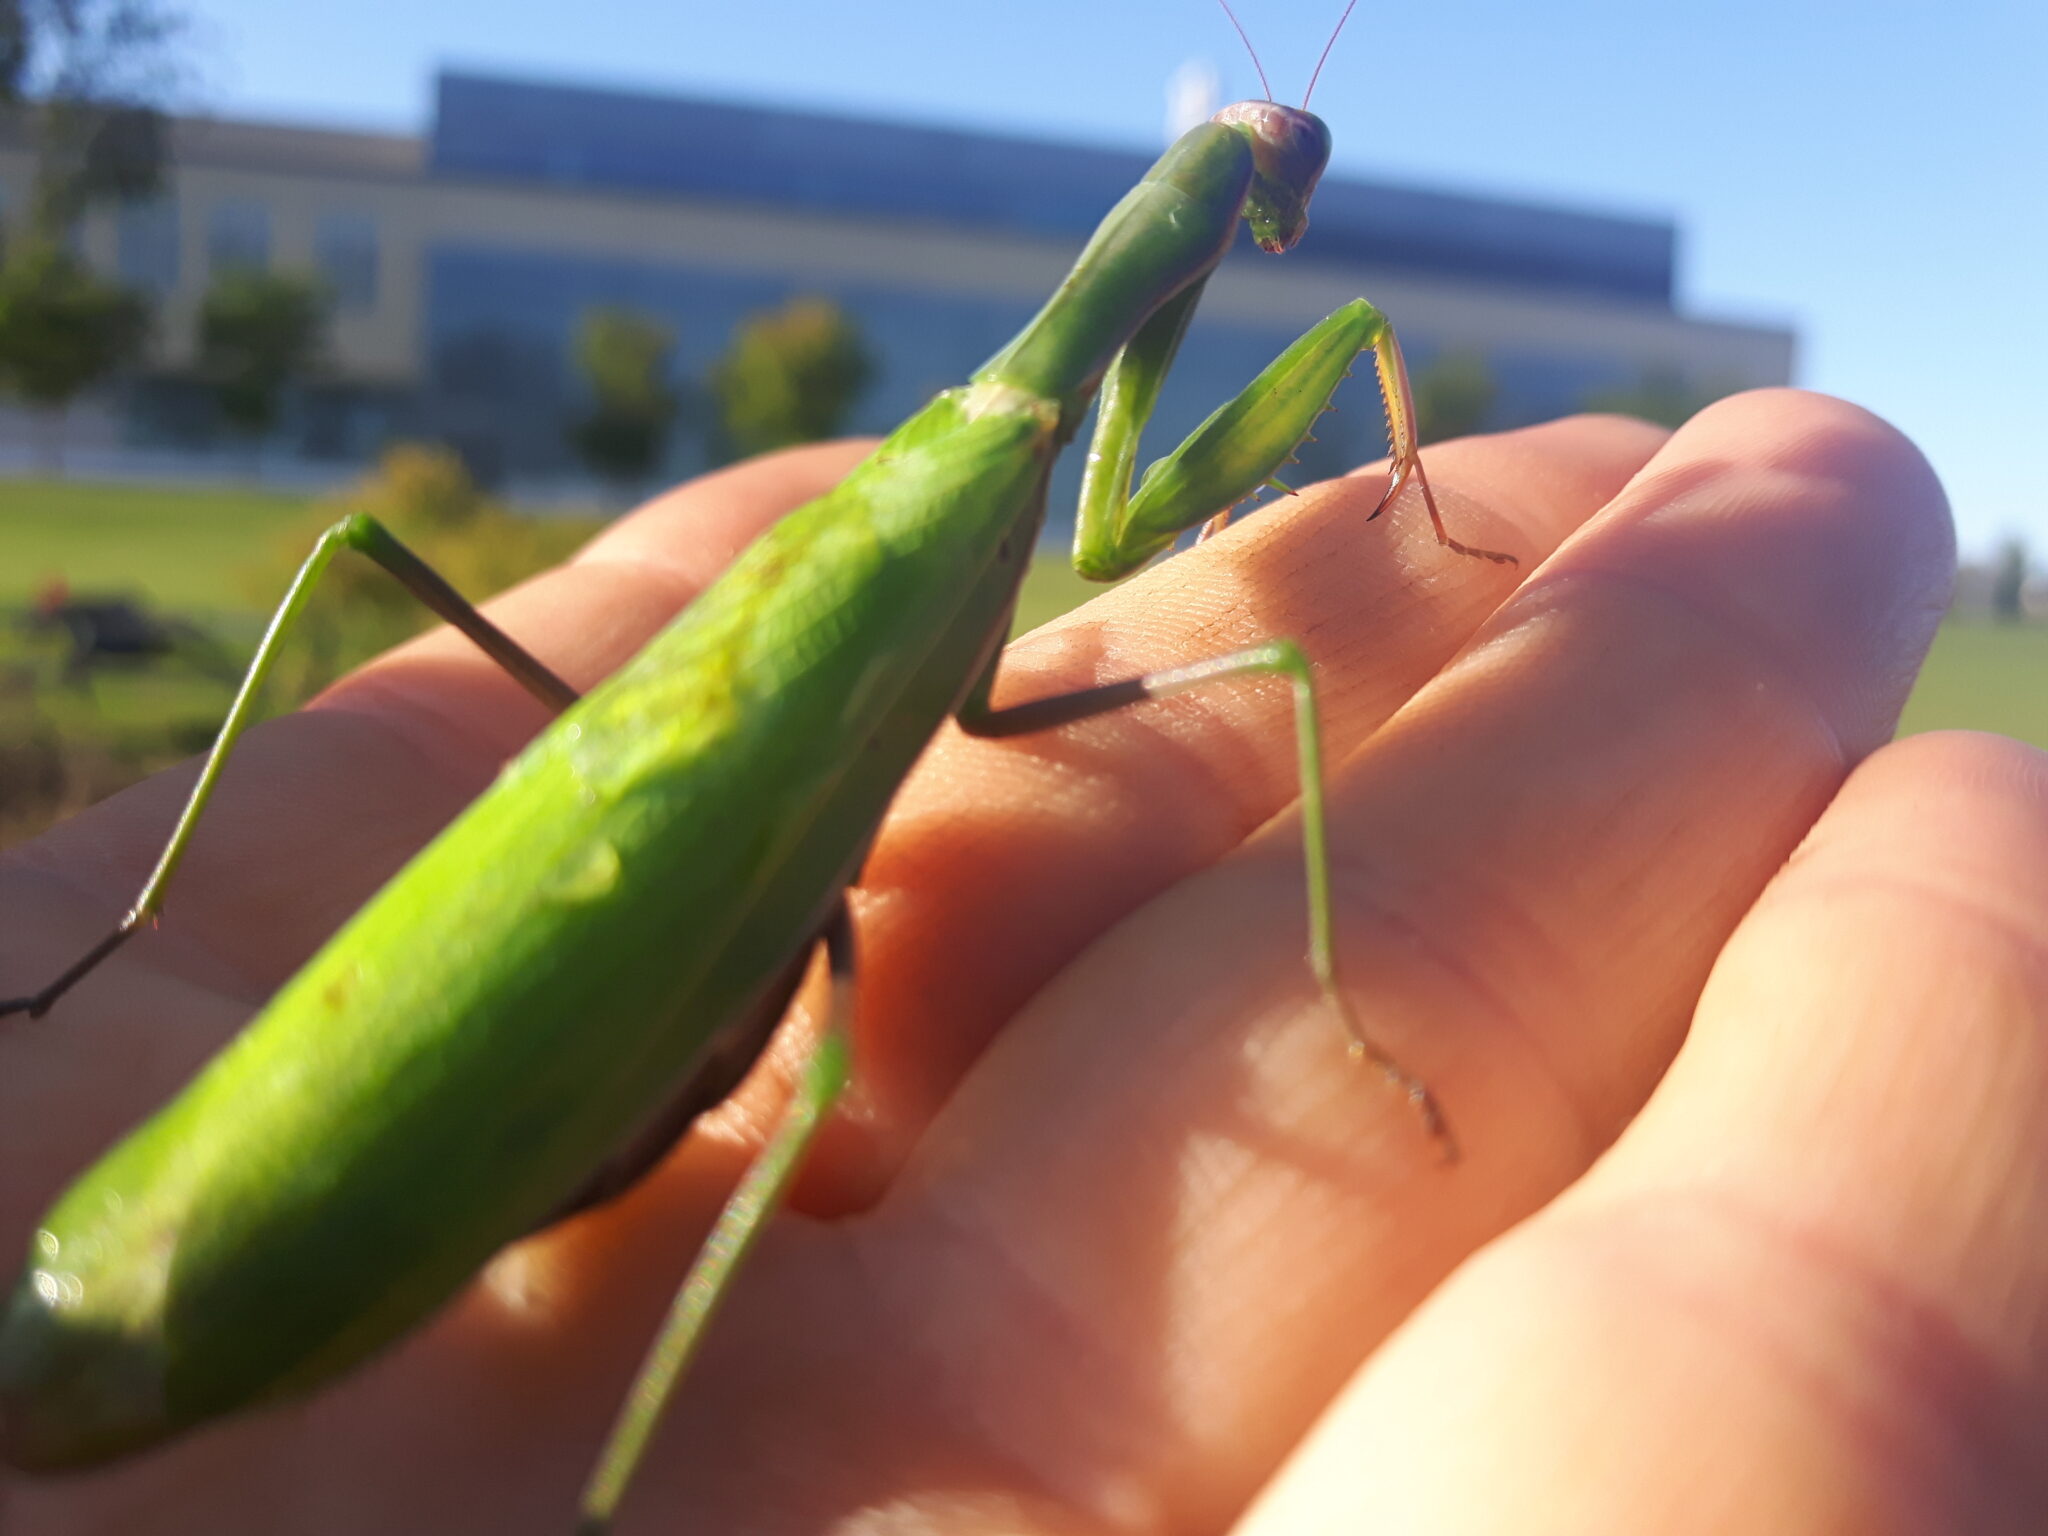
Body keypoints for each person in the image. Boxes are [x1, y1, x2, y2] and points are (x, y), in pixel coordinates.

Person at [5, 390, 2038, 1532]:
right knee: (836, 1029)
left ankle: (111, 998)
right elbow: (1074, 625)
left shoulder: (956, 451)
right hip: (572, 984)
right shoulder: (992, 476)